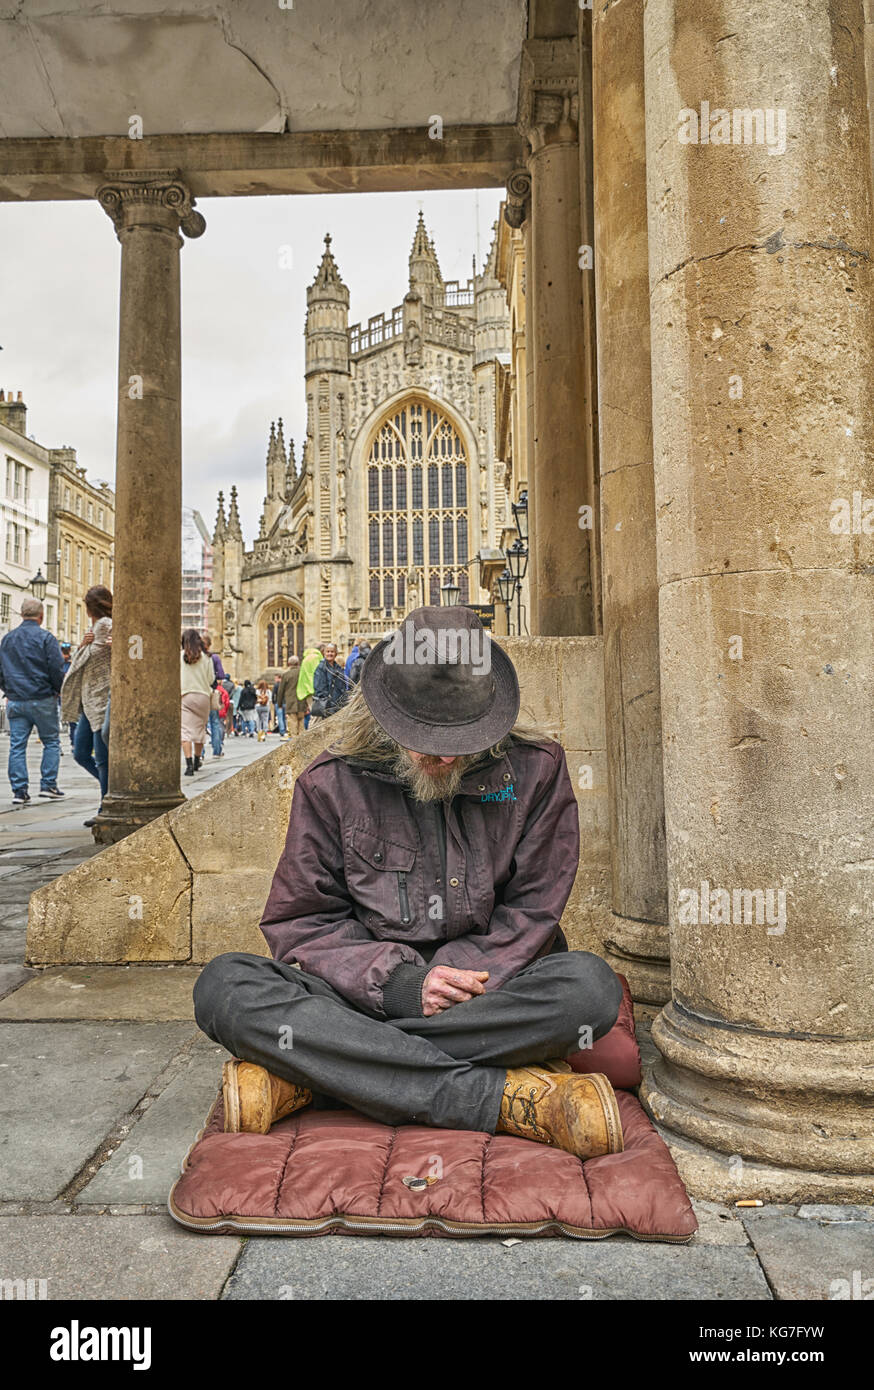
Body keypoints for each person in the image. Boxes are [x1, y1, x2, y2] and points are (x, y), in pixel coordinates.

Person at [194, 605, 624, 1161]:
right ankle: (497, 1099)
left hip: (486, 994)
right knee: (225, 987)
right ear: (383, 714)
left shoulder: (536, 771)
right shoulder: (330, 782)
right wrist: (401, 985)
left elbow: (534, 911)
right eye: (426, 736)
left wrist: (455, 980)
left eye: (461, 736)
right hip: (362, 999)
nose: (445, 754)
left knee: (588, 991)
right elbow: (301, 922)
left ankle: (317, 1077)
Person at [0, 596, 65, 806]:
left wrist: (8, 690)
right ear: (41, 616)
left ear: (21, 614)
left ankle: (19, 790)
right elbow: (56, 668)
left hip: (16, 699)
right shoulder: (46, 638)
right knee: (51, 742)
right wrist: (57, 690)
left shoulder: (7, 639)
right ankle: (48, 785)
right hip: (42, 697)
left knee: (17, 745)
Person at [61, 586, 113, 825]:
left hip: (102, 698)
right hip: (89, 701)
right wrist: (82, 645)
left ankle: (106, 805)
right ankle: (111, 785)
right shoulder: (95, 628)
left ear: (90, 606)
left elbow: (80, 662)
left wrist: (82, 648)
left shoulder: (104, 625)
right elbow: (82, 658)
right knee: (81, 753)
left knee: (101, 758)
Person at [180, 629, 213, 776]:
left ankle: (188, 765)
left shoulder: (180, 656)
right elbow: (211, 679)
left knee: (185, 731)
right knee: (200, 729)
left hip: (186, 694)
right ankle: (197, 760)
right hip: (203, 696)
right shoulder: (206, 658)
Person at [201, 633, 226, 760]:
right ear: (209, 645)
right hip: (212, 692)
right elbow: (221, 675)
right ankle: (217, 751)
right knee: (215, 722)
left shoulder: (196, 657)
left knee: (201, 724)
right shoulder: (214, 658)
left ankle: (200, 753)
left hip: (200, 692)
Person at [311, 642, 349, 721]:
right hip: (327, 707)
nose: (330, 654)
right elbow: (319, 688)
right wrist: (327, 703)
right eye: (328, 651)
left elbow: (342, 685)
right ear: (324, 653)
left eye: (332, 651)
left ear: (336, 654)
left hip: (338, 706)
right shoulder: (321, 667)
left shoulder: (338, 668)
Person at [276, 654, 308, 738]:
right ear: (298, 663)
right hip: (301, 701)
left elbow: (281, 691)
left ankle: (294, 741)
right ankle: (301, 741)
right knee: (301, 723)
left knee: (293, 724)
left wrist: (279, 703)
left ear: (289, 664)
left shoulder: (286, 675)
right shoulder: (303, 673)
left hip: (290, 703)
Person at [296, 642, 325, 730]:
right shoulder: (316, 657)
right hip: (314, 689)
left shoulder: (306, 658)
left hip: (306, 689)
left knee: (314, 714)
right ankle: (312, 735)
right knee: (316, 716)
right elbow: (319, 673)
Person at [60, 641, 76, 751]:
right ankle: (58, 745)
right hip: (59, 695)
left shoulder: (73, 661)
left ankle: (74, 743)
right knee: (55, 722)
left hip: (70, 695)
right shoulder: (57, 662)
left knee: (73, 721)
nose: (66, 655)